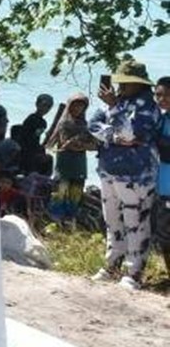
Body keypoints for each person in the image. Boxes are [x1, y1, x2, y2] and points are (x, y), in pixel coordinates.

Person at [88, 59, 160, 290]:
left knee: (135, 221)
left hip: (136, 175)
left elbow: (132, 135)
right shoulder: (118, 102)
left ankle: (134, 271)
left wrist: (115, 111)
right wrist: (114, 137)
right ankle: (112, 264)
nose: (120, 87)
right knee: (112, 220)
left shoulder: (148, 107)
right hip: (109, 169)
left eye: (126, 82)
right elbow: (93, 124)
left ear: (138, 83)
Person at [45, 93, 95, 220]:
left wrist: (81, 145)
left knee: (76, 193)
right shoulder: (64, 123)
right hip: (64, 164)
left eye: (81, 106)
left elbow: (95, 145)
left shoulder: (85, 124)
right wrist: (82, 145)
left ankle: (71, 219)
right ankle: (55, 220)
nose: (78, 109)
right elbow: (67, 144)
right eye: (75, 105)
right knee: (60, 192)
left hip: (79, 164)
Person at [153, 77, 170, 276]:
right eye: (158, 95)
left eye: (166, 94)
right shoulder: (161, 119)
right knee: (164, 238)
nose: (162, 99)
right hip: (162, 188)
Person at [15, 94, 54, 175]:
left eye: (48, 106)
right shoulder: (31, 119)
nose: (45, 108)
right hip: (26, 150)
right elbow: (27, 138)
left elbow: (36, 138)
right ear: (37, 104)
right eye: (43, 105)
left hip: (33, 150)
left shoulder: (43, 122)